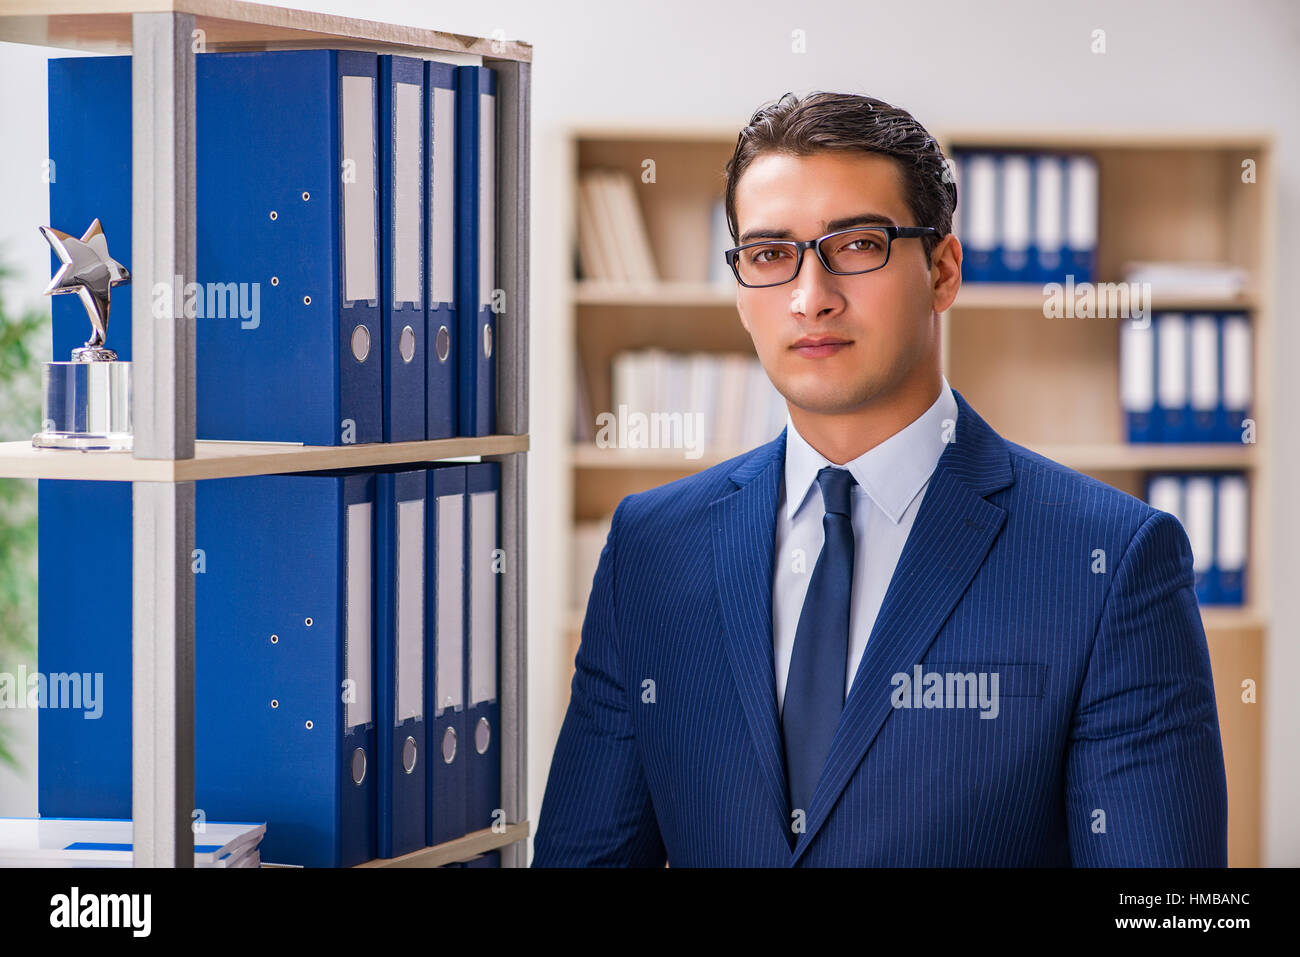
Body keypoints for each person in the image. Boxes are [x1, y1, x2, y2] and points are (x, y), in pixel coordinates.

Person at [533, 91, 1228, 866]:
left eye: (856, 245)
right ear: (739, 289)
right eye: (770, 255)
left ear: (943, 269)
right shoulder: (651, 549)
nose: (811, 297)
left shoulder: (1109, 561)